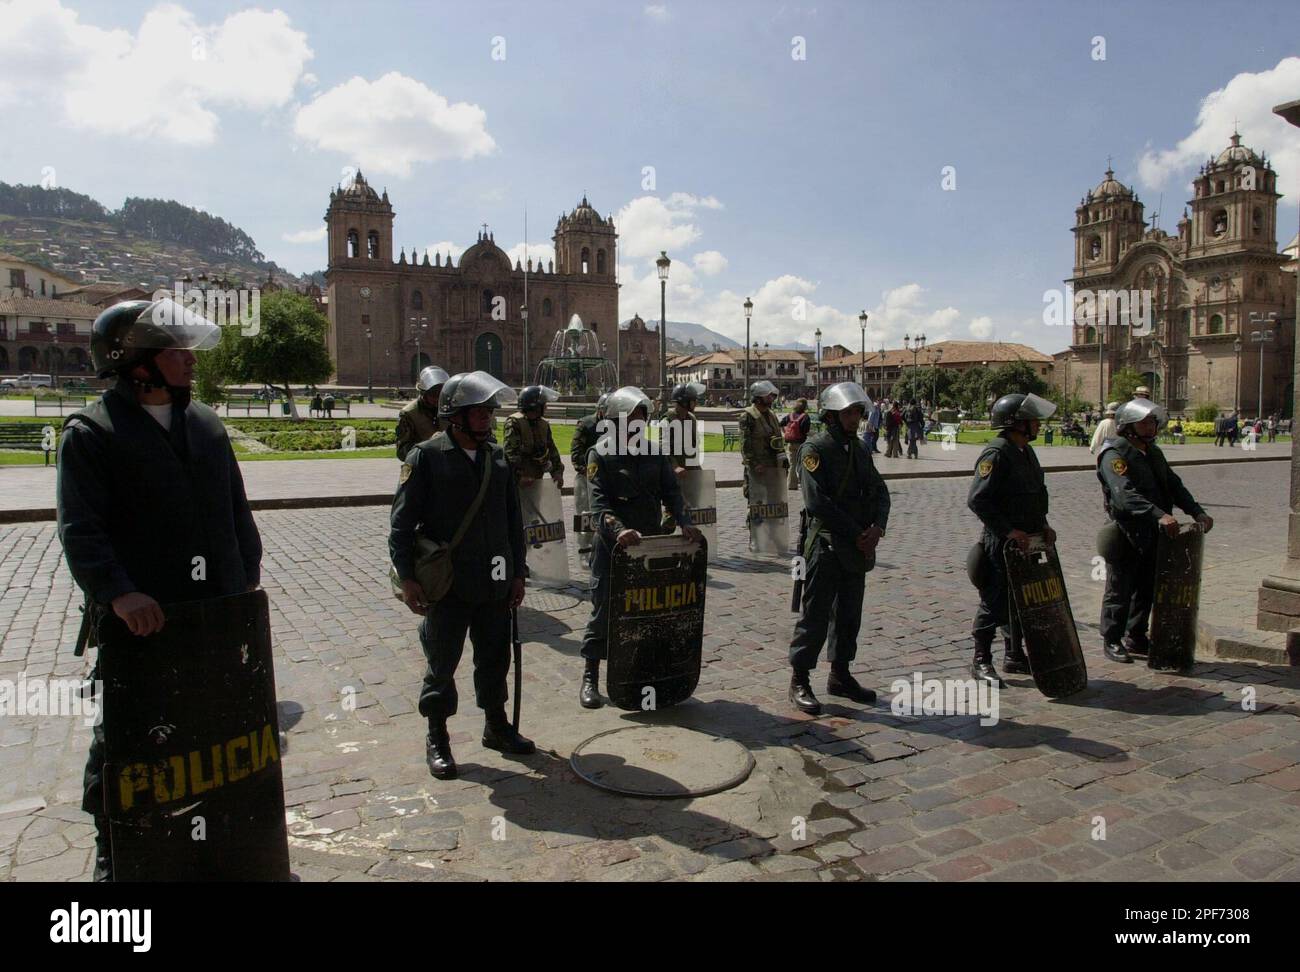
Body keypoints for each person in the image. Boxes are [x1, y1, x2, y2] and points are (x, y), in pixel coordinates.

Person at [57, 297, 263, 881]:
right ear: (137, 360)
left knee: (217, 734)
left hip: (214, 615)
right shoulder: (93, 434)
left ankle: (216, 842)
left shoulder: (205, 424)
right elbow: (81, 528)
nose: (190, 360)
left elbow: (235, 510)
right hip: (142, 624)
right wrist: (117, 593)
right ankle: (115, 853)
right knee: (128, 744)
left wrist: (245, 574)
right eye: (176, 350)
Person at [390, 371, 531, 779]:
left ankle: (496, 725)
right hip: (448, 583)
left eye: (489, 410)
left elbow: (512, 520)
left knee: (494, 657)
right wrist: (408, 578)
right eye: (478, 412)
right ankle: (438, 735)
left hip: (494, 579)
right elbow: (401, 525)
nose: (487, 418)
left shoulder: (497, 457)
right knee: (442, 662)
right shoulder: (426, 457)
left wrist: (518, 573)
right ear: (455, 415)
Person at [578, 387, 702, 708]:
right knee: (604, 609)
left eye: (641, 421)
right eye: (631, 421)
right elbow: (599, 506)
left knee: (651, 610)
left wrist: (684, 520)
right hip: (614, 549)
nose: (636, 426)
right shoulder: (600, 455)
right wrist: (619, 530)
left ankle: (645, 674)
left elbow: (672, 493)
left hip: (650, 547)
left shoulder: (655, 452)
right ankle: (590, 675)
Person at [788, 382, 890, 714]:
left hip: (856, 546)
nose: (854, 419)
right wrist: (856, 532)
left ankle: (840, 674)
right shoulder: (814, 450)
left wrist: (877, 527)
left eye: (858, 413)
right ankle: (800, 678)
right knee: (815, 614)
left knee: (849, 613)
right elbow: (818, 502)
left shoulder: (859, 449)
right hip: (826, 543)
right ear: (832, 415)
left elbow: (879, 491)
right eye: (848, 413)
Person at [1096, 398, 1213, 663]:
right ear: (1128, 426)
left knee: (1147, 586)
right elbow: (1124, 495)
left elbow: (1173, 485)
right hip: (1126, 531)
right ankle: (1112, 639)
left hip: (1155, 532)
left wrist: (1197, 511)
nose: (1151, 427)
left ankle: (1136, 636)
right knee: (1119, 587)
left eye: (1152, 421)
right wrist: (1159, 515)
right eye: (1144, 422)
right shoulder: (1115, 453)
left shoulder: (1153, 453)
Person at [965, 393, 1057, 686]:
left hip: (1028, 541)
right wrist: (1008, 531)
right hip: (1002, 544)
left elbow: (1034, 497)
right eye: (1033, 420)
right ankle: (981, 659)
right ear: (1016, 423)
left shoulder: (1026, 451)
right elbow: (978, 500)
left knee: (1021, 600)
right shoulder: (997, 453)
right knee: (994, 600)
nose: (1038, 425)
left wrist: (1043, 525)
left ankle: (1014, 655)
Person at [504, 385, 564, 490]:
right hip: (519, 483)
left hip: (536, 479)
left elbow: (552, 450)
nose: (546, 407)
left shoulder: (543, 424)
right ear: (534, 406)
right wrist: (518, 477)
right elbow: (511, 454)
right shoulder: (514, 423)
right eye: (543, 404)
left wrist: (557, 472)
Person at [739, 379, 787, 503]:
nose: (771, 398)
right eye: (768, 396)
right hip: (758, 467)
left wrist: (784, 460)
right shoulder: (748, 416)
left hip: (773, 466)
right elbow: (745, 444)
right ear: (758, 398)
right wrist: (754, 464)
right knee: (757, 504)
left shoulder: (772, 415)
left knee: (774, 502)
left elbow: (778, 439)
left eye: (772, 395)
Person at [395, 366, 449, 460]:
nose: (437, 399)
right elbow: (402, 452)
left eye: (441, 394)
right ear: (423, 393)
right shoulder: (409, 414)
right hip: (421, 465)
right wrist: (429, 444)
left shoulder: (449, 409)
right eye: (433, 394)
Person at [781, 398, 811, 490]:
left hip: (790, 443)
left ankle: (791, 485)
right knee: (802, 464)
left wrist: (784, 433)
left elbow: (781, 423)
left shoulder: (790, 415)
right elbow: (806, 431)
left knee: (792, 464)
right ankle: (803, 484)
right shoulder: (805, 417)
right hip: (801, 444)